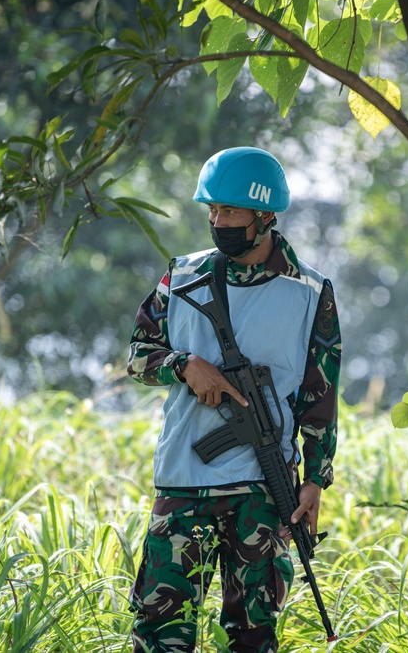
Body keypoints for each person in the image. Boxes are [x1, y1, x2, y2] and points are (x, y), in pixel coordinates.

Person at [126, 146, 341, 653]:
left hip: (262, 493)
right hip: (183, 482)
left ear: (265, 217)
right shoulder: (180, 276)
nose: (217, 221)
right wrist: (183, 365)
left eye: (230, 212)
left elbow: (320, 394)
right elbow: (137, 356)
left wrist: (315, 481)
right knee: (159, 634)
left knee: (253, 636)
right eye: (213, 211)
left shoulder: (311, 292)